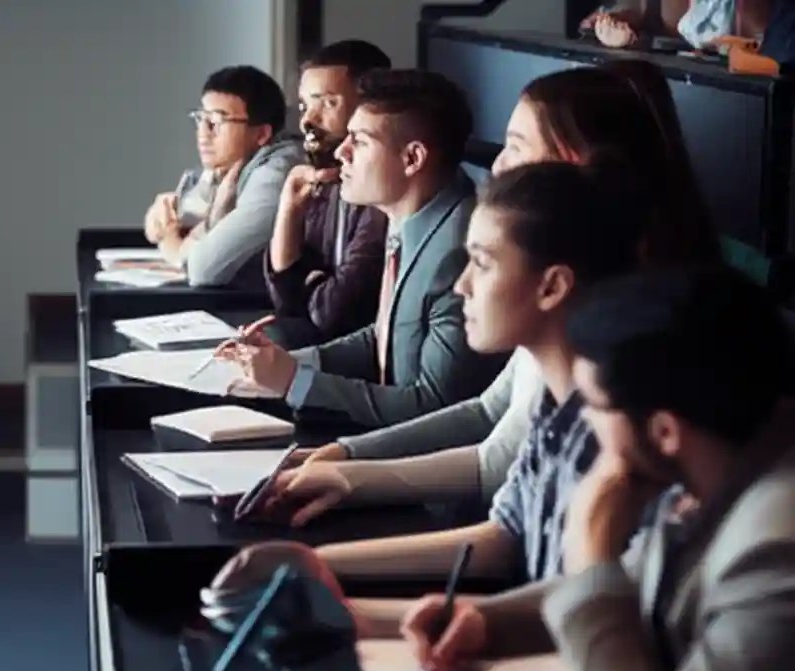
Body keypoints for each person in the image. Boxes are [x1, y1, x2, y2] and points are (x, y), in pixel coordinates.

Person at [265, 62, 722, 526]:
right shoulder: (562, 278)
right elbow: (488, 411)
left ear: (574, 166)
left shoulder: (595, 310)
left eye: (516, 146)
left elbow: (494, 464)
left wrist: (350, 468)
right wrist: (343, 454)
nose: (498, 165)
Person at [399, 267, 795, 671]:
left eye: (594, 406)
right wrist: (487, 620)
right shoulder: (713, 465)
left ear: (664, 431)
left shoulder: (772, 557)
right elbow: (636, 583)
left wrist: (590, 552)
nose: (585, 423)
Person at [298, 161, 644, 590]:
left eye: (481, 264)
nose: (462, 285)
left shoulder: (607, 436)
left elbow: (561, 604)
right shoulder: (551, 405)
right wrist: (313, 564)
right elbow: (503, 536)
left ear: (552, 287)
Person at [218, 69, 504, 431]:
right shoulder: (411, 215)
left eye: (360, 141)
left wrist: (294, 381)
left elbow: (435, 408)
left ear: (412, 158)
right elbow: (386, 336)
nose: (342, 151)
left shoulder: (459, 252)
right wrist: (288, 363)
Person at [262, 40, 391, 343]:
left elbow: (333, 313)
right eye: (305, 105)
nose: (308, 120)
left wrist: (310, 282)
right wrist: (289, 210)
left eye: (328, 103)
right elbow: (285, 299)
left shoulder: (382, 193)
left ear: (369, 109)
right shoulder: (326, 182)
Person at [143, 65, 304, 288]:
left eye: (217, 121)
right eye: (201, 118)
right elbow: (177, 218)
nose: (203, 132)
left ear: (261, 134)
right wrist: (166, 221)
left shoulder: (276, 173)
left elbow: (203, 269)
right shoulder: (230, 166)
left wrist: (170, 243)